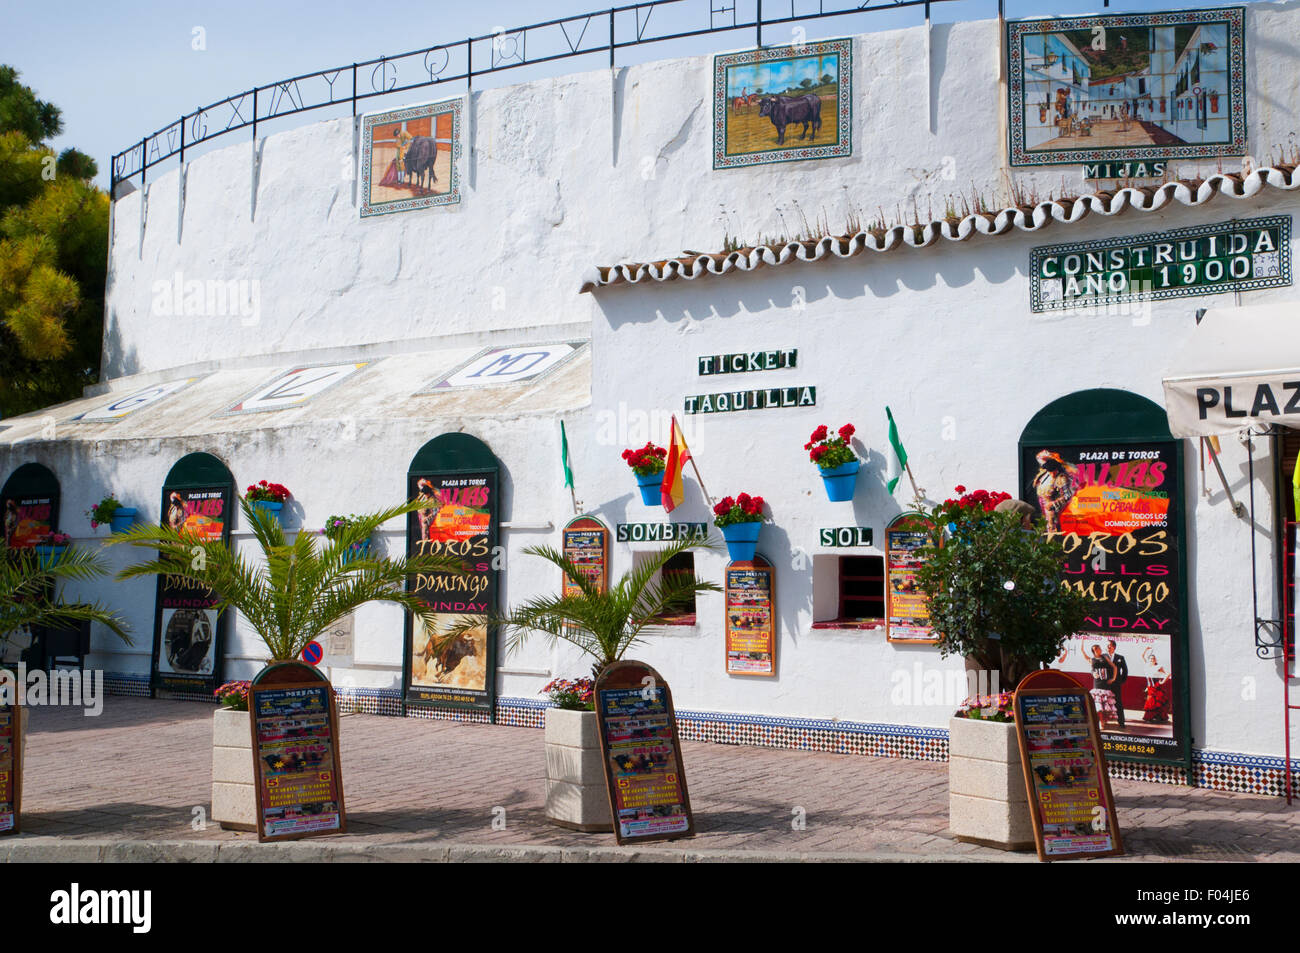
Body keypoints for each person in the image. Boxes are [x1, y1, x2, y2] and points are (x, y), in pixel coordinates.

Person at [1082, 643, 1118, 724]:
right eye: (1097, 649)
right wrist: (1093, 673)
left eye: (1099, 648)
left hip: (1106, 683)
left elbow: (1114, 667)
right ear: (1094, 651)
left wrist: (1113, 678)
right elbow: (1091, 669)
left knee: (1106, 703)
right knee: (1098, 704)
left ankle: (1104, 720)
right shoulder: (1092, 660)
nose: (1099, 650)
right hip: (1097, 683)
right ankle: (1101, 722)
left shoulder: (1105, 657)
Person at [1105, 639, 1128, 728]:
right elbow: (1094, 667)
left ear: (1114, 647)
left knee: (1118, 702)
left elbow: (1125, 670)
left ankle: (1121, 722)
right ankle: (1104, 722)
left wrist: (1121, 681)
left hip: (1116, 684)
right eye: (1107, 645)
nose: (1108, 647)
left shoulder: (1120, 657)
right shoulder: (1102, 657)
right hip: (1105, 684)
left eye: (1109, 645)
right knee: (1104, 703)